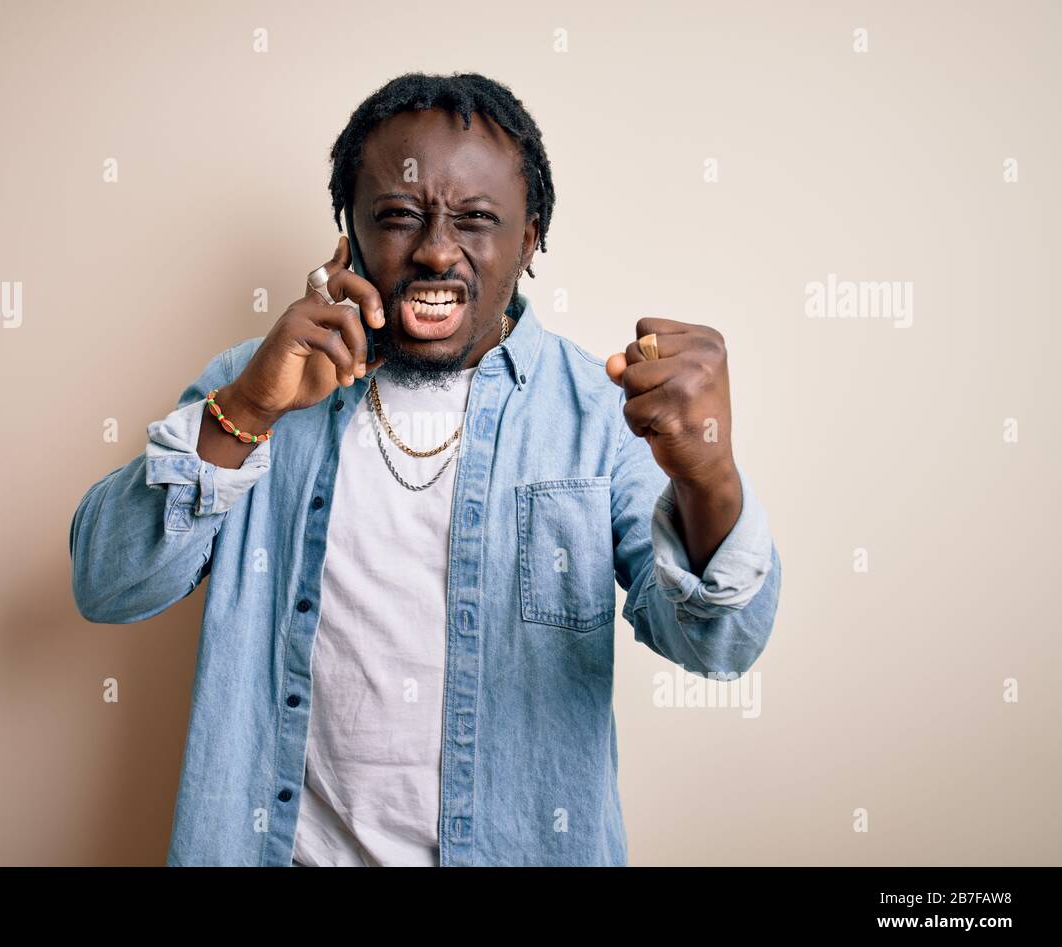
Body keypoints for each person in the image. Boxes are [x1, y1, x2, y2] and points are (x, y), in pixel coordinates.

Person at [69, 71, 781, 866]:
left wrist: (708, 477)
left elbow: (718, 648)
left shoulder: (595, 415)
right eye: (400, 216)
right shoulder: (255, 382)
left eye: (477, 220)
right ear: (349, 232)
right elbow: (108, 584)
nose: (438, 250)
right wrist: (248, 411)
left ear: (531, 239)